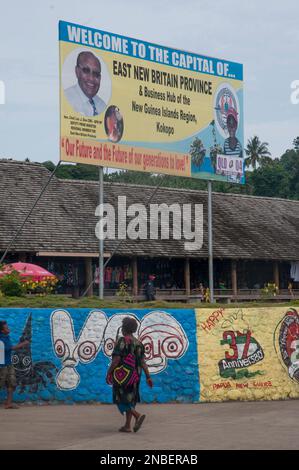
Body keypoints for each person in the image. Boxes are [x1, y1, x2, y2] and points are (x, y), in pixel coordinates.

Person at [106, 317, 153, 433]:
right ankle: (127, 426)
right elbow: (142, 362)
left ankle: (137, 415)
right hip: (135, 376)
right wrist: (148, 377)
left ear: (124, 328)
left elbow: (116, 360)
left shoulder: (122, 341)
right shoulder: (139, 343)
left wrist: (109, 373)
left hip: (122, 375)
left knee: (121, 397)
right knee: (130, 399)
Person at [64, 51, 106, 117]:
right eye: (86, 71)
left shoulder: (102, 106)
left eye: (96, 74)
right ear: (77, 71)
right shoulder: (66, 99)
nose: (91, 78)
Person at [0, 321, 29, 409]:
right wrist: (23, 344)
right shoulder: (1, 339)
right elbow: (10, 348)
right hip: (2, 366)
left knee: (12, 383)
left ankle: (8, 403)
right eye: (7, 328)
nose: (9, 329)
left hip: (9, 364)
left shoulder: (6, 337)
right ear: (2, 331)